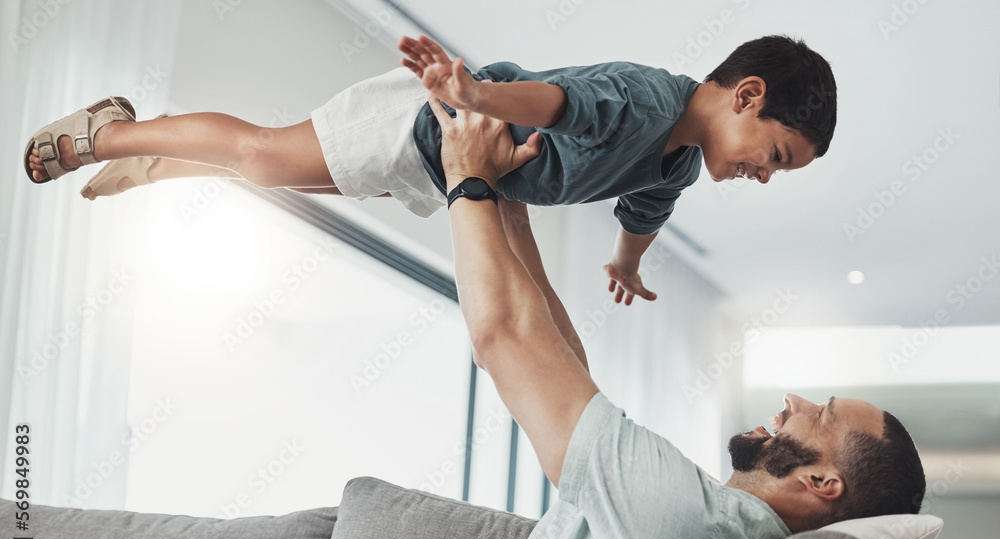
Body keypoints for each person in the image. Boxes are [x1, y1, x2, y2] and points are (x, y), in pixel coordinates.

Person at [3, 99, 923, 539]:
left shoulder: (689, 525)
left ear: (822, 482)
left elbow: (502, 337)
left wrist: (466, 184)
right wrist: (511, 200)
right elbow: (563, 358)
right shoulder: (700, 534)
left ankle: (119, 135)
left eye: (824, 413)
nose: (799, 396)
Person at [23, 33, 836, 305]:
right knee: (265, 157)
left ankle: (159, 163)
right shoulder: (644, 97)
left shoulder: (680, 163)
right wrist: (474, 91)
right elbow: (558, 103)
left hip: (447, 169)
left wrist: (625, 265)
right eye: (774, 158)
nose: (761, 175)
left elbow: (641, 219)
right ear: (749, 96)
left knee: (282, 175)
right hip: (437, 124)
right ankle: (111, 132)